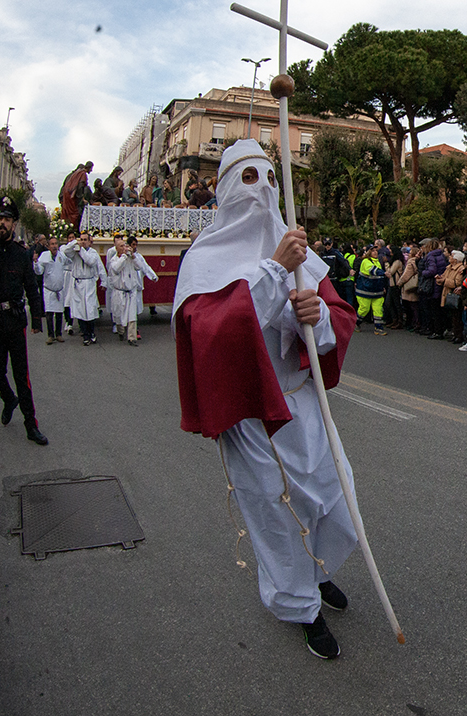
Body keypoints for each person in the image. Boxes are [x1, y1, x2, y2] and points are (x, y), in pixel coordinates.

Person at [171, 140, 357, 659]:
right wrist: (273, 271)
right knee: (277, 511)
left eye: (270, 179)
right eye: (249, 178)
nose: (263, 190)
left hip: (303, 403)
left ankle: (318, 573)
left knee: (333, 496)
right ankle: (300, 606)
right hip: (251, 412)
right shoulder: (206, 259)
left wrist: (315, 321)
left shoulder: (301, 252)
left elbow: (339, 318)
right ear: (228, 187)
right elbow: (213, 335)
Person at [0, 195, 48, 444]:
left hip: (15, 322)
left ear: (14, 224)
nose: (3, 223)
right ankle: (8, 399)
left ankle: (31, 424)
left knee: (21, 376)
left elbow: (32, 288)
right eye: (0, 218)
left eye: (7, 219)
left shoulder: (21, 254)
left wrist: (37, 319)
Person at [63, 231, 107, 345]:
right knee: (80, 310)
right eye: (81, 240)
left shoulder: (92, 253)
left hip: (89, 283)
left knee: (90, 310)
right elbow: (65, 251)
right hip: (78, 283)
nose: (82, 242)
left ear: (89, 242)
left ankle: (91, 332)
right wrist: (74, 243)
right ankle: (85, 335)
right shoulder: (75, 252)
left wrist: (104, 281)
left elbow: (92, 263)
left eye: (85, 240)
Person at [35, 236, 69, 343]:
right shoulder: (44, 256)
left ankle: (58, 334)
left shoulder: (61, 256)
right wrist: (35, 263)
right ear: (48, 246)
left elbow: (69, 262)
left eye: (56, 244)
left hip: (59, 289)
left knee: (59, 313)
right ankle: (50, 335)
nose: (54, 246)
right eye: (52, 244)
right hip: (49, 290)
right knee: (49, 314)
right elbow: (39, 271)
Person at [355, 244, 388, 335]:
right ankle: (356, 323)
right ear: (369, 252)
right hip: (365, 290)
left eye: (376, 251)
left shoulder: (377, 261)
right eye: (373, 251)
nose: (375, 252)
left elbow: (379, 277)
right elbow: (373, 271)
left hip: (377, 291)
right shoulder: (366, 261)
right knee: (364, 309)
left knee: (378, 309)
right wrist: (384, 273)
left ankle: (378, 327)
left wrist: (383, 287)